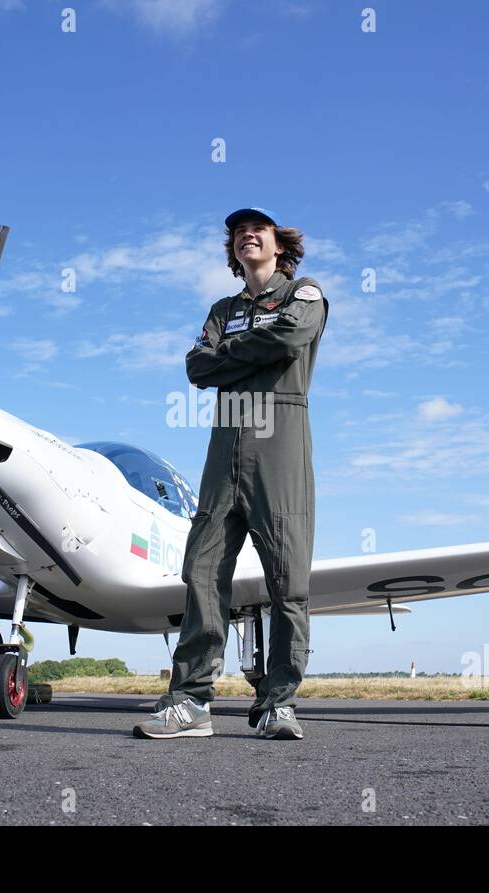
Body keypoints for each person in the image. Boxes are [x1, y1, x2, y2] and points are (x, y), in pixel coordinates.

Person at [134, 207, 328, 740]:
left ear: (278, 246)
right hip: (224, 451)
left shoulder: (305, 294)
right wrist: (243, 356)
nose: (247, 236)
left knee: (288, 581)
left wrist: (230, 357)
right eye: (239, 233)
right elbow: (197, 368)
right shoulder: (222, 308)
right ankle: (191, 701)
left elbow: (291, 339)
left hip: (280, 445)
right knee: (201, 572)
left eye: (257, 230)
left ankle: (277, 705)